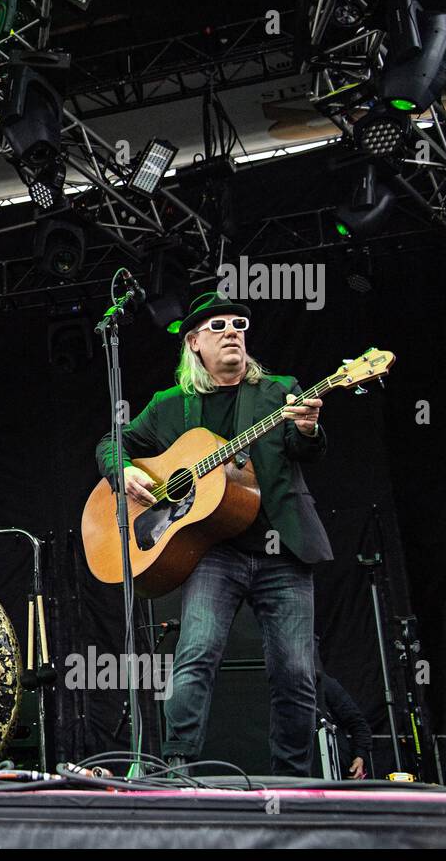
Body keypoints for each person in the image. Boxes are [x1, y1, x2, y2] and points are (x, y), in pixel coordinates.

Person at [95, 293, 332, 776]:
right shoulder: (170, 406)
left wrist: (307, 429)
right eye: (218, 325)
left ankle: (293, 781)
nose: (232, 331)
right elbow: (111, 442)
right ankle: (177, 768)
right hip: (213, 552)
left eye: (239, 324)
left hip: (281, 548)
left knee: (294, 672)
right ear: (194, 343)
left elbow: (303, 448)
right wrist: (124, 472)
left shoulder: (280, 391)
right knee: (195, 656)